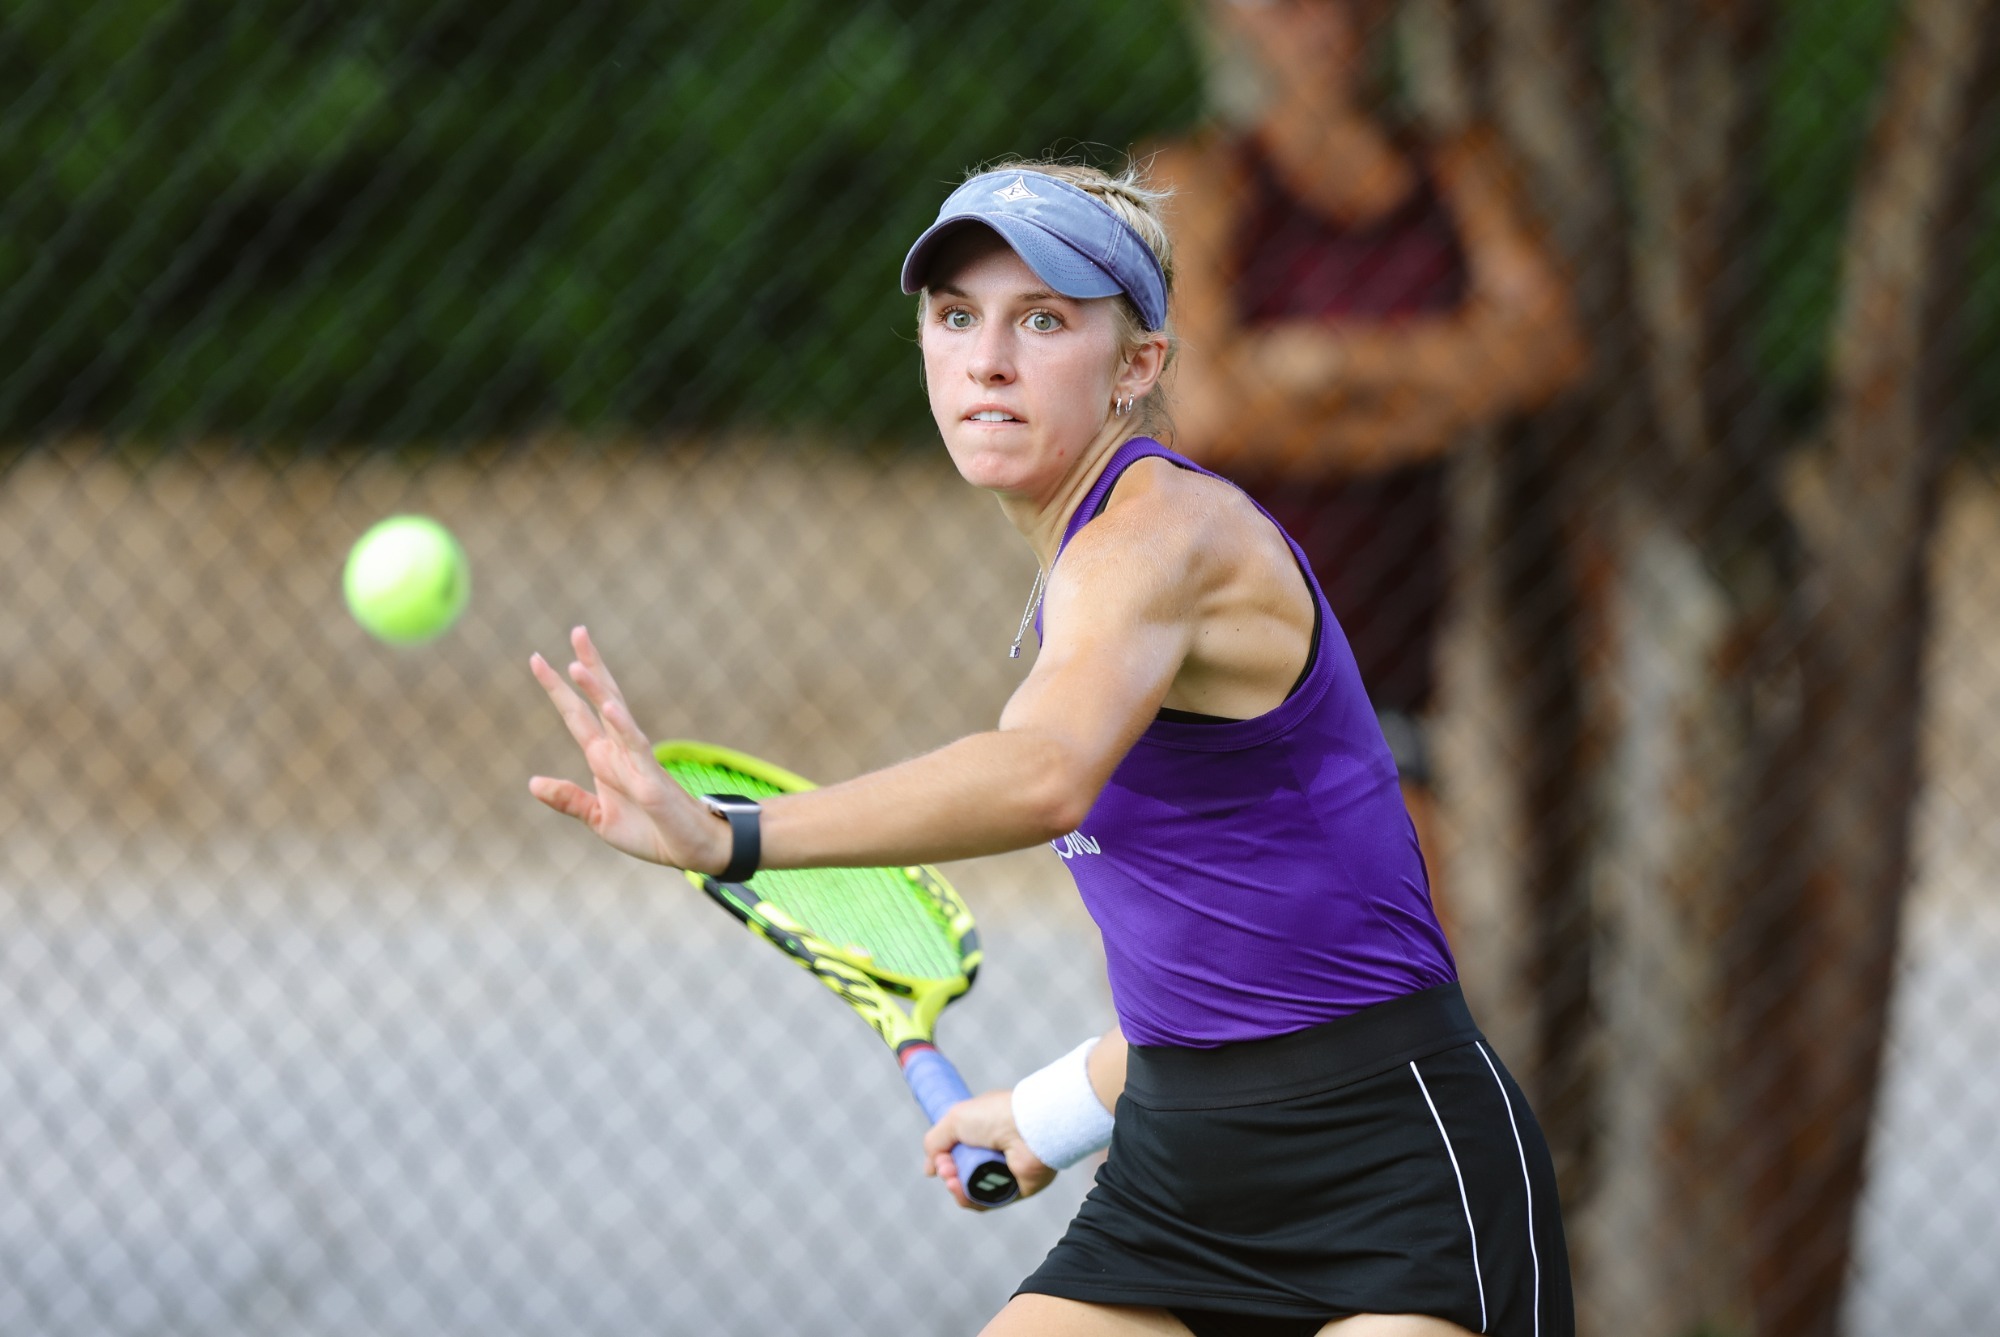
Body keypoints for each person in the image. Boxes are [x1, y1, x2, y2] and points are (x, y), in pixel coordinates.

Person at [528, 158, 1571, 1336]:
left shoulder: (1161, 534)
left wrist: (729, 838)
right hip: (1180, 1180)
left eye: (1041, 321)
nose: (986, 358)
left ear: (1137, 366)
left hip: (1390, 1171)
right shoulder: (1079, 575)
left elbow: (1041, 774)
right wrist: (1053, 1109)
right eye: (954, 317)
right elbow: (1229, 961)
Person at [1158, 0, 1587, 916]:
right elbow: (1206, 415)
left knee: (1408, 957)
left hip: (1380, 672)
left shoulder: (1458, 168)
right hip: (1224, 666)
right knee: (1257, 975)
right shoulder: (1201, 180)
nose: (1326, 20)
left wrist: (1323, 365)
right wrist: (1428, 408)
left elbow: (1546, 347)